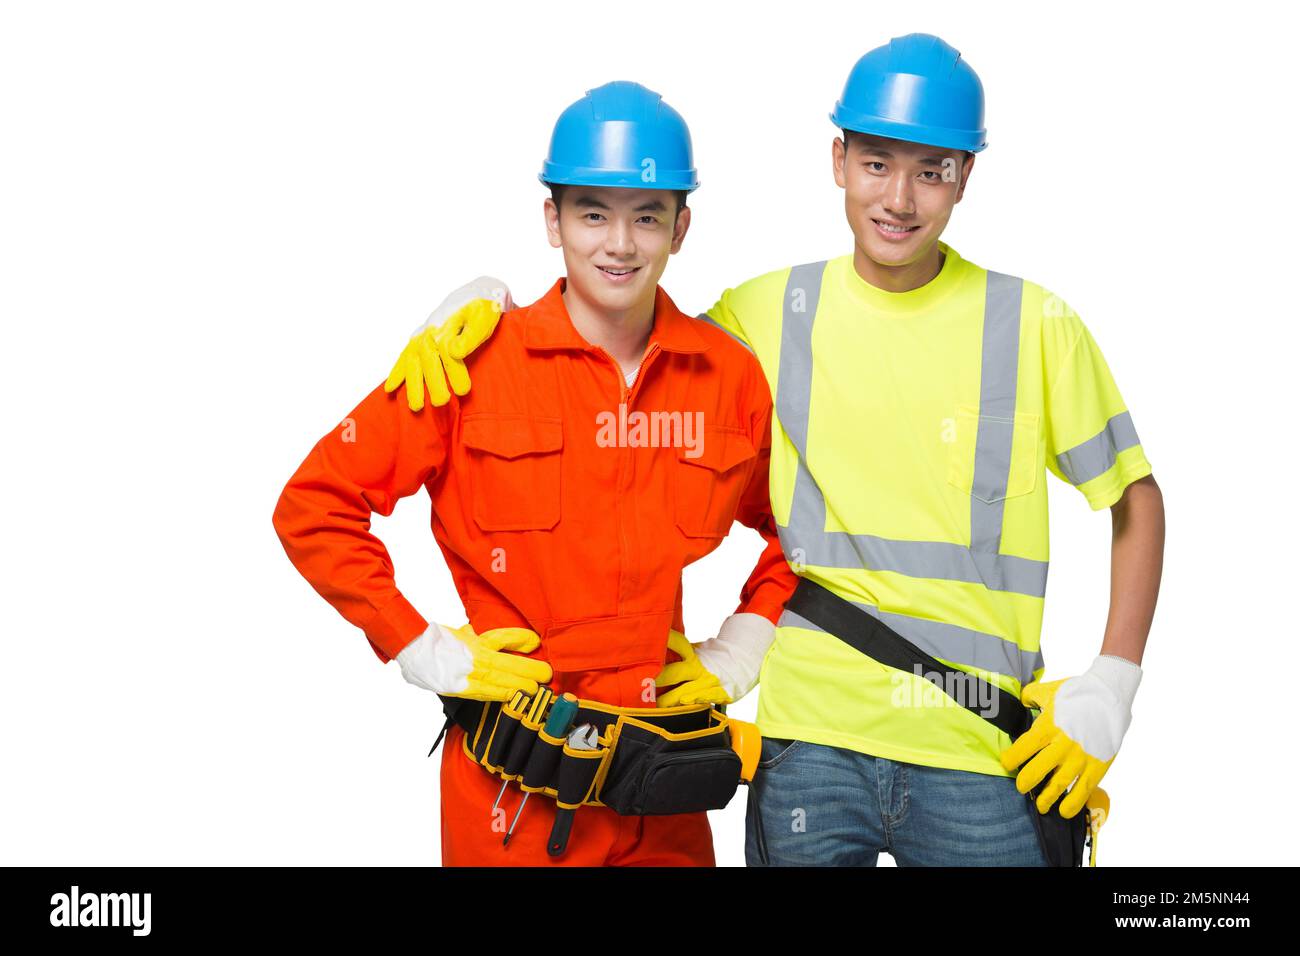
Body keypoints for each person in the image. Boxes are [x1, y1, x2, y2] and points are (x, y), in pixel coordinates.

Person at [384, 35, 1166, 866]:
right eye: (875, 162)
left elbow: (1135, 502)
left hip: (977, 746)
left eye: (931, 169)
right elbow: (615, 334)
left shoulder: (1033, 324)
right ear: (839, 160)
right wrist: (488, 313)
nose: (898, 197)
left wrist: (1111, 682)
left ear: (965, 176)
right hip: (806, 747)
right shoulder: (768, 313)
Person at [272, 80, 796, 866]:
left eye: (647, 216)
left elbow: (808, 532)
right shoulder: (468, 361)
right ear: (551, 221)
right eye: (592, 212)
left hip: (664, 792)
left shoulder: (728, 376)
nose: (619, 243)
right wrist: (418, 645)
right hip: (512, 802)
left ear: (681, 228)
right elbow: (313, 506)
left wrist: (741, 650)